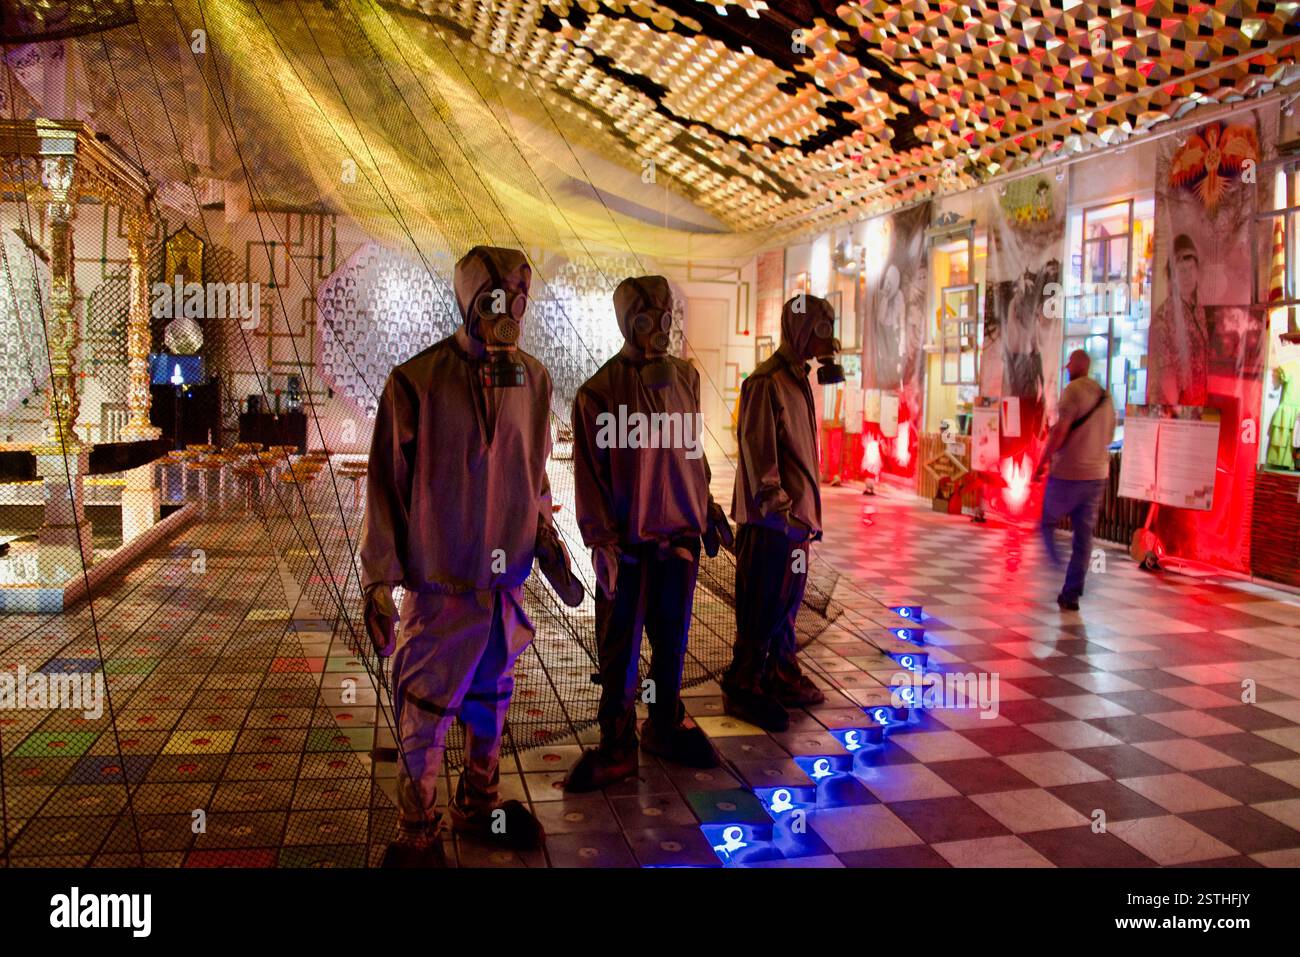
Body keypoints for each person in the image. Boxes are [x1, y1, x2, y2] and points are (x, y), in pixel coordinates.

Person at [360, 246, 559, 867]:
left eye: (517, 303)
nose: (507, 315)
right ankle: (417, 830)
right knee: (423, 712)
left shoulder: (534, 378)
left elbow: (534, 472)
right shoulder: (415, 382)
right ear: (470, 302)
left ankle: (480, 802)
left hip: (504, 592)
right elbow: (386, 487)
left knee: (491, 704)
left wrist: (546, 537)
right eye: (495, 302)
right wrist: (378, 584)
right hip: (440, 588)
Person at [564, 276, 731, 791]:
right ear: (625, 323)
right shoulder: (598, 392)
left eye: (664, 321)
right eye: (645, 321)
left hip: (677, 542)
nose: (657, 332)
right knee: (620, 650)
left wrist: (705, 504)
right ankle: (617, 741)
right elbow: (589, 475)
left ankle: (662, 723)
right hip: (627, 548)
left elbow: (691, 451)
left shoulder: (685, 379)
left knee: (671, 644)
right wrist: (601, 542)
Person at [721, 294, 841, 732]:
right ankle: (744, 685)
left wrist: (803, 521)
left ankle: (781, 673)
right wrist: (782, 514)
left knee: (785, 608)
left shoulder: (798, 381)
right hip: (772, 526)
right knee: (761, 607)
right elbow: (760, 459)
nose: (826, 339)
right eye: (820, 328)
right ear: (800, 328)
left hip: (795, 526)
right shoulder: (765, 383)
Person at [1033, 349, 1116, 611]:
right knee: (1084, 535)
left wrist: (1042, 462)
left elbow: (1059, 433)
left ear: (1075, 366)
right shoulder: (1106, 397)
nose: (1067, 367)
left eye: (1069, 363)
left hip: (1069, 473)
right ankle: (1071, 591)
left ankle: (1057, 567)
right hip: (1097, 475)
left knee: (1046, 522)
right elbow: (1110, 435)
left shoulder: (1073, 392)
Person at [1146, 233, 1209, 407]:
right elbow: (1166, 377)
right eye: (1181, 271)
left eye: (1191, 269)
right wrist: (1180, 417)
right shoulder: (1163, 318)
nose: (1187, 276)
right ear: (1172, 276)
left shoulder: (1199, 311)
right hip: (1174, 413)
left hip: (1197, 409)